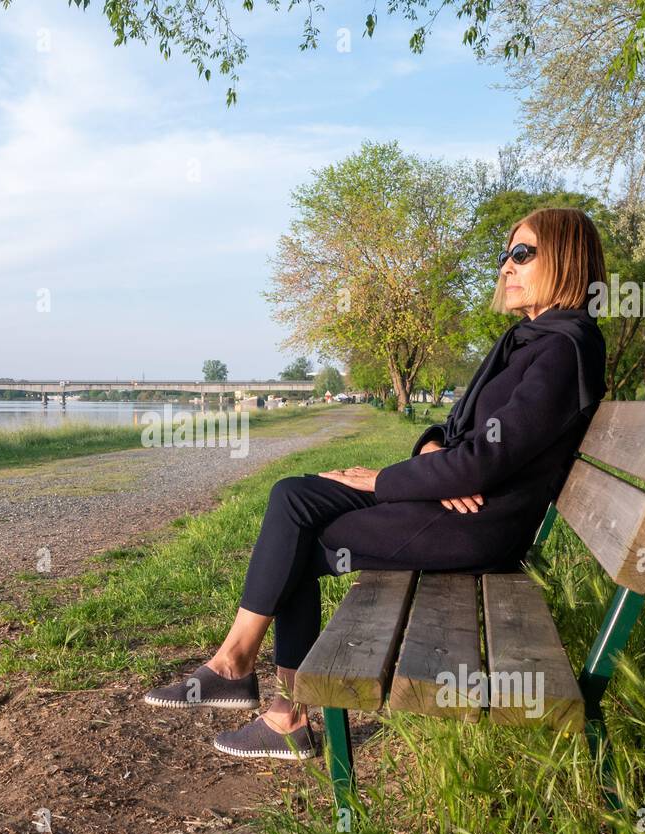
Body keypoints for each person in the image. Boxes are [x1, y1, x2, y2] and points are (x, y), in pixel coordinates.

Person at [143, 207, 609, 759]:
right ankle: (238, 668)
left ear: (568, 259)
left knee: (307, 540)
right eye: (504, 255)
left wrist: (387, 480)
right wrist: (432, 450)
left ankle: (276, 707)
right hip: (456, 499)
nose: (506, 266)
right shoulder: (533, 339)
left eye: (522, 253)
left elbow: (485, 462)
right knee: (293, 496)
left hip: (478, 525)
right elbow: (465, 433)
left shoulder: (562, 349)